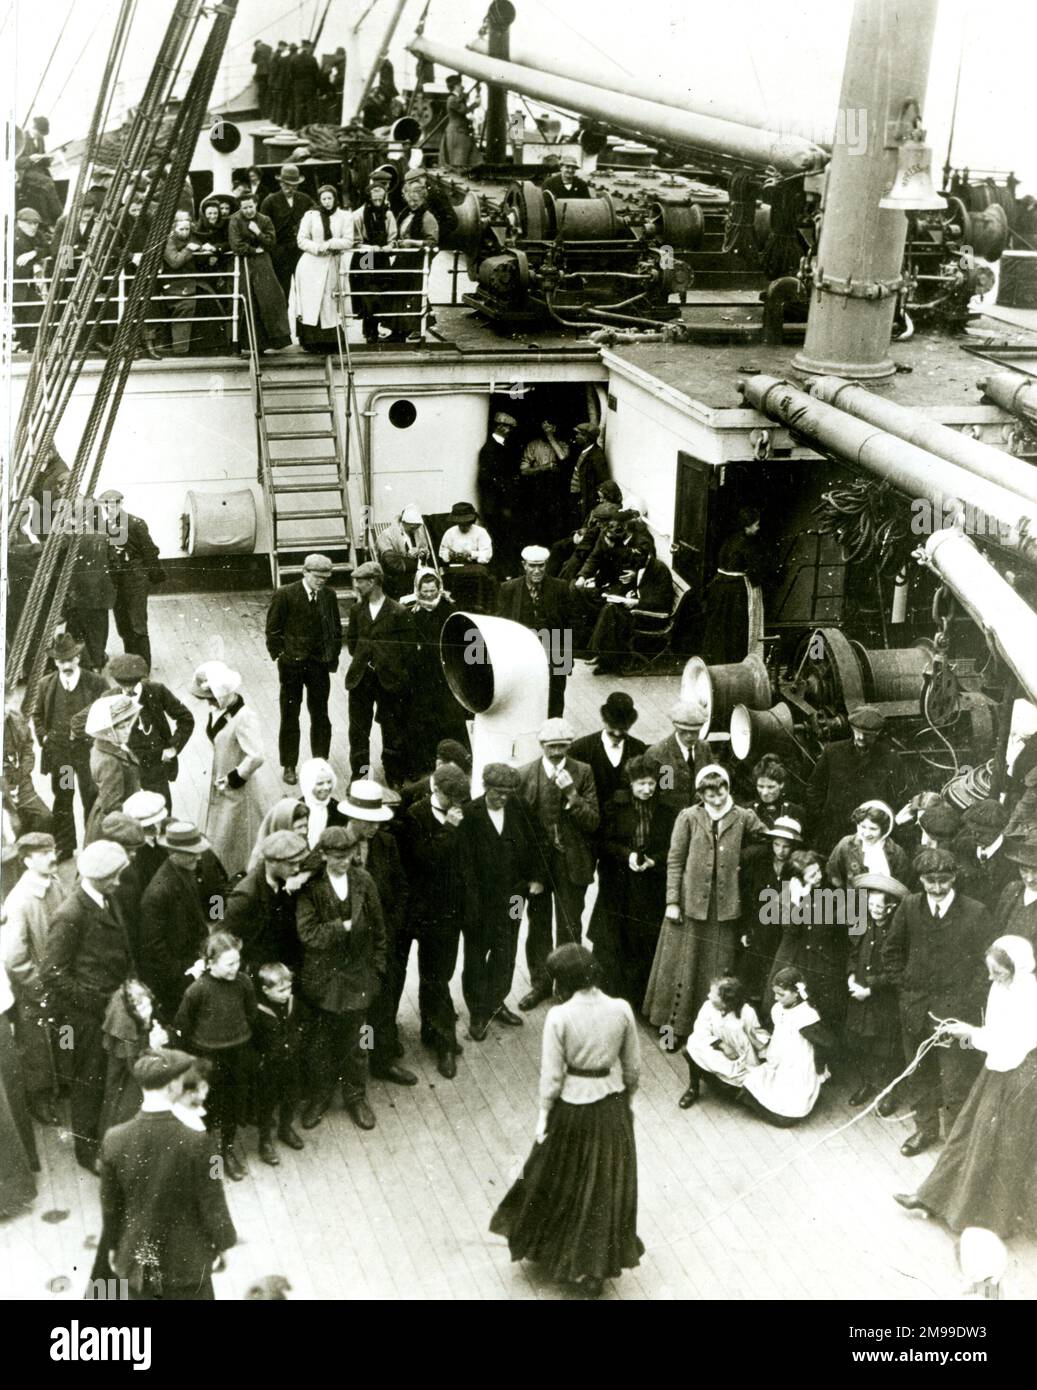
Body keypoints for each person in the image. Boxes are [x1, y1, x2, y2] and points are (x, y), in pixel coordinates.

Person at [490, 944, 642, 1299]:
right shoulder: (621, 1010)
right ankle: (593, 1268)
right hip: (610, 1106)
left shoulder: (558, 1017)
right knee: (603, 1188)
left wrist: (543, 1115)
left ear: (563, 982)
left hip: (571, 1108)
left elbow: (551, 1076)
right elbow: (633, 1068)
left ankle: (548, 1247)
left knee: (557, 1179)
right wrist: (625, 1099)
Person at [895, 935, 1037, 1239]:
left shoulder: (1031, 996)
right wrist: (964, 1033)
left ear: (1018, 970)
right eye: (990, 971)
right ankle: (930, 1197)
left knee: (997, 1143)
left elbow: (1015, 1040)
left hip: (1019, 1076)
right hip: (998, 1067)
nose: (991, 978)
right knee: (965, 1131)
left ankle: (987, 1219)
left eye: (998, 972)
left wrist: (968, 1034)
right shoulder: (999, 988)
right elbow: (993, 1032)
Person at [98, 1048, 237, 1300]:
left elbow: (111, 1206)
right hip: (188, 1265)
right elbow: (212, 1202)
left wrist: (113, 1245)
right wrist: (224, 1243)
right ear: (173, 1086)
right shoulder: (198, 1141)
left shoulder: (114, 1139)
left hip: (137, 1264)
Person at [645, 764, 767, 1045]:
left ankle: (710, 1030)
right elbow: (675, 860)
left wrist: (740, 860)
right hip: (690, 905)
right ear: (701, 794)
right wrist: (672, 901)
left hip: (723, 908)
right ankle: (675, 1027)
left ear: (728, 787)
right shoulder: (688, 817)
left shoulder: (743, 816)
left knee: (716, 968)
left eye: (721, 790)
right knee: (683, 967)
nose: (717, 798)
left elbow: (765, 840)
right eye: (710, 793)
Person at [882, 847, 989, 1157]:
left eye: (944, 880)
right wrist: (905, 988)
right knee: (919, 1074)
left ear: (954, 878)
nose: (938, 888)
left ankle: (956, 1144)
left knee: (956, 1080)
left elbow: (986, 966)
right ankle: (925, 1130)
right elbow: (891, 951)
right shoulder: (909, 906)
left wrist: (967, 1003)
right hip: (915, 1009)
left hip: (955, 1017)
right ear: (921, 880)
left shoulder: (976, 912)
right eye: (931, 881)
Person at [40, 839, 133, 1171]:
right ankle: (87, 1153)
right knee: (89, 1084)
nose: (119, 882)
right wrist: (96, 1003)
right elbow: (51, 973)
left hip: (110, 1006)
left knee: (107, 1080)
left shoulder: (107, 898)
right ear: (97, 877)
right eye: (114, 876)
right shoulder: (71, 914)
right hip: (87, 1017)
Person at [297, 824, 386, 1130]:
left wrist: (376, 970)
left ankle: (355, 1096)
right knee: (320, 1044)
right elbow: (308, 934)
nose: (343, 862)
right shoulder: (311, 888)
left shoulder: (364, 881)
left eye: (347, 855)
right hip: (323, 980)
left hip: (359, 978)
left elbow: (379, 930)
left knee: (358, 1042)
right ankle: (320, 1097)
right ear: (323, 855)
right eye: (336, 857)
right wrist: (342, 928)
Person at [336, 779, 416, 1087]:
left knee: (382, 1003)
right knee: (351, 1011)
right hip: (347, 947)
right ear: (352, 817)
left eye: (376, 822)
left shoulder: (387, 844)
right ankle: (349, 1070)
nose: (372, 828)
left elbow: (401, 889)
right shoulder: (335, 843)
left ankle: (380, 1061)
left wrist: (389, 932)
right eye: (367, 822)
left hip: (381, 943)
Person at [516, 719, 599, 1010]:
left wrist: (571, 795)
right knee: (538, 924)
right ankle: (540, 984)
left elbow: (592, 821)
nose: (556, 752)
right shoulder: (525, 773)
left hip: (571, 863)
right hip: (538, 865)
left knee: (570, 925)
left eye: (562, 747)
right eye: (551, 747)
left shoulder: (583, 772)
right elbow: (519, 826)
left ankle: (567, 984)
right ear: (542, 746)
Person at [588, 755, 677, 1008]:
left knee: (644, 940)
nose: (647, 789)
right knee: (613, 939)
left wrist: (654, 861)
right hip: (618, 884)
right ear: (630, 783)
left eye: (651, 784)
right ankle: (609, 997)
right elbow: (603, 843)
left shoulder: (666, 811)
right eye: (641, 784)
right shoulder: (614, 808)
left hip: (650, 886)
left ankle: (638, 999)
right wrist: (627, 856)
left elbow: (672, 847)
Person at [400, 763, 470, 1077]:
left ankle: (436, 1034)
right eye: (449, 796)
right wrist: (449, 829)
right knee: (416, 976)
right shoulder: (414, 816)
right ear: (435, 790)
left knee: (439, 976)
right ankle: (440, 1039)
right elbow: (423, 858)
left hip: (448, 913)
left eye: (459, 797)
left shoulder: (463, 813)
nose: (455, 803)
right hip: (418, 912)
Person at [459, 762, 538, 1040]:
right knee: (476, 956)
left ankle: (496, 1002)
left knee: (506, 952)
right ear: (486, 788)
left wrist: (534, 879)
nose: (503, 797)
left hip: (515, 896)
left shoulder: (519, 808)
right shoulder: (470, 814)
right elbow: (464, 864)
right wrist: (471, 903)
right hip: (480, 900)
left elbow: (536, 842)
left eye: (507, 792)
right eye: (498, 792)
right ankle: (478, 1012)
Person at [174, 931, 256, 1180]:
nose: (235, 968)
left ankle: (226, 1150)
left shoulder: (244, 983)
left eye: (237, 962)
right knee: (207, 1107)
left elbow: (250, 1013)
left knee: (232, 1105)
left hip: (237, 1053)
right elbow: (182, 1026)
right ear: (211, 963)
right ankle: (209, 1155)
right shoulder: (197, 990)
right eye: (229, 963)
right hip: (207, 1058)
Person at [265, 553, 342, 785]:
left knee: (320, 714)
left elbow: (335, 628)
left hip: (319, 665)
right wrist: (280, 655)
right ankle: (289, 765)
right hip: (292, 666)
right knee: (290, 715)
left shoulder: (329, 596)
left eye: (326, 578)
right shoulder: (285, 594)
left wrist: (332, 655)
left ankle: (320, 760)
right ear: (305, 572)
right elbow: (273, 630)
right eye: (318, 576)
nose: (322, 581)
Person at [2, 833, 63, 1124]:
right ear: (26, 860)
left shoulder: (55, 883)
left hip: (56, 980)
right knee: (36, 1044)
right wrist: (39, 987)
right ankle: (40, 1100)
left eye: (51, 850)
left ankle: (59, 1086)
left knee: (59, 1036)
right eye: (42, 853)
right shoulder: (19, 900)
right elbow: (14, 957)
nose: (51, 856)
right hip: (34, 988)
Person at [30, 634, 107, 861]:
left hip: (87, 757)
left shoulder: (95, 683)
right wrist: (44, 738)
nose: (66, 665)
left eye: (70, 659)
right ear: (55, 662)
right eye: (61, 661)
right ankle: (65, 845)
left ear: (78, 657)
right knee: (63, 796)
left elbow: (108, 710)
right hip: (63, 758)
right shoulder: (46, 685)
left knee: (91, 797)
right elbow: (36, 715)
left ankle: (92, 845)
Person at [139, 821, 227, 1017]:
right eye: (192, 852)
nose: (198, 855)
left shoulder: (193, 866)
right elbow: (154, 947)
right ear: (173, 853)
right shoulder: (158, 892)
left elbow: (216, 894)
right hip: (180, 975)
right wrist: (184, 975)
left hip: (195, 957)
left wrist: (216, 920)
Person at [189, 661, 265, 878]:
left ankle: (230, 883)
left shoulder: (245, 717)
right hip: (217, 783)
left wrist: (234, 778)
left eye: (212, 698)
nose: (209, 703)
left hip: (235, 789)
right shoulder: (219, 710)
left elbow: (257, 755)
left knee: (234, 841)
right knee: (217, 835)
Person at [344, 560, 416, 787]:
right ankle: (361, 776)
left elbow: (408, 649)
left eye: (360, 581)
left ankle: (394, 776)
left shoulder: (398, 611)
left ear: (373, 581)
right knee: (358, 733)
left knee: (393, 730)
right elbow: (353, 644)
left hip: (390, 682)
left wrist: (392, 669)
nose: (356, 585)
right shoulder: (357, 610)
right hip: (361, 680)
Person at [845, 872, 909, 1111]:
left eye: (879, 906)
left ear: (891, 907)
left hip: (883, 1001)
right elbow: (853, 954)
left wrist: (871, 988)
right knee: (862, 1043)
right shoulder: (865, 925)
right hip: (860, 996)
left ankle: (889, 1092)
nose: (874, 910)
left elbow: (898, 972)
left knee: (886, 1049)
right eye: (870, 904)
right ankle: (868, 1083)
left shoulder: (898, 934)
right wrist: (851, 975)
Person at [101, 653, 194, 812]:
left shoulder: (156, 691)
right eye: (123, 684)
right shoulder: (108, 698)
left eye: (133, 684)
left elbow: (186, 719)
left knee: (162, 812)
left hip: (156, 764)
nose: (128, 689)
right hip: (127, 766)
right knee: (131, 815)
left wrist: (173, 747)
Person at [806, 706, 904, 856]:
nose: (860, 738)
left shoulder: (890, 757)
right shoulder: (833, 752)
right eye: (857, 732)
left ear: (877, 733)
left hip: (871, 832)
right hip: (834, 830)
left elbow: (897, 796)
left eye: (867, 735)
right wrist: (822, 815)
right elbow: (814, 787)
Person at [740, 968, 832, 1126]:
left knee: (788, 1112)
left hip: (799, 1066)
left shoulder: (806, 1016)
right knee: (749, 1087)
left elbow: (826, 1043)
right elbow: (778, 1032)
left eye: (781, 994)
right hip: (780, 1060)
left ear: (796, 993)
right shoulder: (777, 1009)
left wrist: (820, 1068)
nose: (776, 998)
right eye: (775, 993)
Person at [497, 546, 574, 718]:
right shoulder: (508, 589)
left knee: (555, 696)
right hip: (522, 652)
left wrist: (566, 658)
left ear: (546, 565)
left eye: (541, 566)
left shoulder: (560, 588)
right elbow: (501, 625)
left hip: (553, 649)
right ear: (524, 565)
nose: (537, 571)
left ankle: (554, 733)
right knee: (523, 697)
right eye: (532, 566)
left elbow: (570, 623)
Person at [738, 814, 801, 1015]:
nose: (780, 851)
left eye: (786, 846)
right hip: (759, 926)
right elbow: (749, 899)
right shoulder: (761, 864)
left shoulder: (797, 869)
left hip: (783, 929)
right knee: (752, 970)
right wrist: (747, 929)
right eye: (776, 845)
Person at [408, 568, 471, 765]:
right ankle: (429, 760)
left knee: (451, 717)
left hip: (447, 672)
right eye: (425, 591)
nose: (429, 595)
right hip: (424, 673)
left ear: (439, 589)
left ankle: (460, 758)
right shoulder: (413, 613)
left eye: (432, 590)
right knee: (426, 717)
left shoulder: (450, 610)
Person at [225, 830, 310, 974]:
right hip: (260, 974)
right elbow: (223, 938)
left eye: (299, 863)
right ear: (271, 862)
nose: (297, 869)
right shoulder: (246, 896)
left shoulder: (284, 879)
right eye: (291, 864)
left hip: (285, 968)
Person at [585, 540, 674, 674]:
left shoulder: (659, 570)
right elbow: (644, 589)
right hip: (643, 610)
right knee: (609, 607)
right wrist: (633, 593)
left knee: (612, 613)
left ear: (647, 555)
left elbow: (662, 602)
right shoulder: (644, 565)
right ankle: (601, 656)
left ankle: (603, 658)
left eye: (637, 555)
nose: (634, 559)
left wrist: (637, 602)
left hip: (653, 617)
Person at [98, 488, 164, 670]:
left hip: (135, 578)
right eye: (106, 505)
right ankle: (130, 660)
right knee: (123, 623)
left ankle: (143, 667)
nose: (110, 509)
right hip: (116, 580)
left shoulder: (135, 524)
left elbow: (150, 550)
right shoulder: (102, 527)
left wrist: (153, 575)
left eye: (114, 504)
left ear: (120, 504)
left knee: (137, 624)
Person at [682, 974, 769, 1108]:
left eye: (713, 993)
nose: (708, 995)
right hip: (717, 1049)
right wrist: (721, 1045)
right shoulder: (708, 1006)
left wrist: (764, 1052)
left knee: (752, 1082)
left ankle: (730, 1085)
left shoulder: (747, 1012)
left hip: (741, 1056)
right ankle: (693, 1088)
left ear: (726, 1000)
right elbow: (700, 1031)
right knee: (690, 1047)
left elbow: (757, 1034)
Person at [251, 961, 307, 1164]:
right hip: (269, 1067)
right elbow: (253, 1041)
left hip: (291, 1062)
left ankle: (285, 1128)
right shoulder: (257, 1011)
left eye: (288, 988)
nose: (286, 993)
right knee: (267, 1103)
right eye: (281, 990)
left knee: (292, 1096)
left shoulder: (293, 1003)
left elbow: (301, 1023)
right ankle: (265, 1140)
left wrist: (297, 1040)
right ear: (266, 990)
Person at [98, 978, 168, 1137]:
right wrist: (154, 1047)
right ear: (130, 1011)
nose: (148, 1012)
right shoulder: (125, 1032)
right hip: (129, 1091)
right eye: (142, 1007)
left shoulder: (134, 1019)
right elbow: (138, 1070)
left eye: (148, 1004)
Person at [699, 507, 768, 665]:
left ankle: (718, 663)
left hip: (721, 589)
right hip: (736, 592)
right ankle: (739, 665)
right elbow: (755, 571)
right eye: (756, 525)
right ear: (747, 525)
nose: (758, 528)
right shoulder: (746, 545)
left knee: (721, 630)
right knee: (736, 632)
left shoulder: (730, 540)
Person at [291, 185, 352, 351]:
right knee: (311, 301)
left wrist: (330, 244)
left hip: (332, 262)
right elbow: (301, 239)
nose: (326, 202)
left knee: (329, 301)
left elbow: (348, 240)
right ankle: (311, 341)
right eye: (323, 199)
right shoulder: (311, 216)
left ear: (335, 198)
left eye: (329, 198)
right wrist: (317, 248)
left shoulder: (345, 216)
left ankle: (330, 341)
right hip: (310, 264)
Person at [228, 193, 291, 352]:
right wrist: (254, 249)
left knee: (270, 298)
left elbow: (271, 243)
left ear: (256, 204)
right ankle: (250, 344)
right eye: (244, 208)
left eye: (250, 207)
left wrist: (258, 233)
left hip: (263, 263)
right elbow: (236, 245)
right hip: (245, 263)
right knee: (249, 300)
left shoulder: (265, 220)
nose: (248, 211)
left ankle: (275, 340)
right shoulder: (235, 220)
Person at [568, 691, 647, 818]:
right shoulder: (579, 750)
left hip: (626, 827)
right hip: (591, 826)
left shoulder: (638, 749)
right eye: (613, 726)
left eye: (623, 728)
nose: (617, 733)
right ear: (604, 721)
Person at [83, 694, 142, 843]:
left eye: (128, 724)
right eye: (122, 728)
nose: (128, 730)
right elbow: (112, 806)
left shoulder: (107, 745)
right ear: (109, 731)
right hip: (116, 825)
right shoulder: (110, 761)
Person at [644, 698, 712, 812]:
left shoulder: (705, 748)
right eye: (683, 731)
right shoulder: (656, 754)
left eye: (694, 732)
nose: (689, 736)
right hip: (667, 820)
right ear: (676, 727)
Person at [351, 177, 398, 342]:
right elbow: (356, 241)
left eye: (381, 198)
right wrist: (370, 248)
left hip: (382, 256)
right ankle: (369, 331)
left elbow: (393, 236)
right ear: (369, 198)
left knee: (383, 289)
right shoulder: (358, 215)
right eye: (375, 198)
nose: (378, 201)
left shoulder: (388, 214)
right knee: (368, 290)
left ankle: (377, 327)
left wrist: (390, 246)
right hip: (366, 256)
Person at [261, 163, 315, 303]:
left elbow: (317, 217)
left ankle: (304, 324)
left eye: (293, 185)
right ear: (280, 183)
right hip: (279, 253)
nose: (290, 188)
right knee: (281, 292)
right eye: (286, 185)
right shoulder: (270, 201)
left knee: (305, 290)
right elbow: (262, 226)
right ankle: (282, 324)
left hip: (301, 252)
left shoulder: (305, 199)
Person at [826, 800, 912, 889]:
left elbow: (902, 886)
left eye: (873, 829)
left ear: (884, 829)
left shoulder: (897, 853)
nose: (866, 834)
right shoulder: (846, 845)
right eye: (863, 827)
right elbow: (834, 875)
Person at [394, 170, 438, 340]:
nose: (412, 203)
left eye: (416, 201)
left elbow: (433, 243)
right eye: (410, 200)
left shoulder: (427, 217)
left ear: (422, 199)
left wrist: (412, 243)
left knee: (416, 291)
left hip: (417, 259)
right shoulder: (406, 213)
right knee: (403, 291)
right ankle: (402, 326)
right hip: (404, 258)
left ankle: (419, 326)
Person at [477, 411, 520, 569]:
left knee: (504, 537)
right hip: (497, 504)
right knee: (500, 538)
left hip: (500, 503)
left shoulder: (500, 447)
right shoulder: (490, 449)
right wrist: (505, 499)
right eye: (507, 427)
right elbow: (487, 478)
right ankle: (501, 570)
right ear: (500, 427)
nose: (509, 430)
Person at [955, 799, 1014, 909]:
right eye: (972, 830)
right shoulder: (963, 845)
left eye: (983, 833)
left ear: (1000, 830)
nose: (975, 836)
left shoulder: (1012, 857)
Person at [159, 211, 199, 355]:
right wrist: (189, 249)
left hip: (187, 281)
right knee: (184, 307)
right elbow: (174, 261)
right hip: (173, 283)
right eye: (181, 229)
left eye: (187, 229)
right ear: (174, 228)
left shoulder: (191, 238)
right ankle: (181, 350)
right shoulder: (168, 241)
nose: (184, 232)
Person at [377, 503, 432, 596]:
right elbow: (389, 561)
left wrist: (421, 552)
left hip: (416, 571)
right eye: (411, 527)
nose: (413, 529)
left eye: (416, 527)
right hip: (397, 575)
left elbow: (425, 551)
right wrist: (407, 556)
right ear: (403, 522)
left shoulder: (418, 532)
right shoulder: (387, 535)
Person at [993, 836, 1037, 948]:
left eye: (1036, 872)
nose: (1029, 878)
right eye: (1024, 870)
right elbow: (996, 928)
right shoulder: (1012, 889)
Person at [297, 757, 347, 851]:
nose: (326, 787)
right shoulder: (295, 808)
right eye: (320, 783)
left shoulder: (337, 809)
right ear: (308, 784)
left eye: (329, 782)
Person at [567, 422, 609, 531]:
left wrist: (587, 498)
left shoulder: (597, 455)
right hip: (575, 496)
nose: (576, 437)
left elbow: (602, 481)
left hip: (584, 500)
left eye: (579, 434)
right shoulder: (583, 450)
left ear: (586, 438)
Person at [439, 500, 493, 567]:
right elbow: (442, 551)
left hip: (475, 567)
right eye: (460, 524)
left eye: (466, 523)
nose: (463, 526)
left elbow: (487, 554)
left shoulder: (481, 532)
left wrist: (471, 554)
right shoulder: (450, 532)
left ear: (471, 521)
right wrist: (449, 555)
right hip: (455, 567)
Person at [440, 74, 476, 169]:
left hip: (459, 133)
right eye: (460, 85)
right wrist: (475, 104)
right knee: (458, 160)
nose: (462, 87)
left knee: (463, 159)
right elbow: (464, 110)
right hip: (456, 134)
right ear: (456, 86)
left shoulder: (454, 99)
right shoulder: (452, 99)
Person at [289, 38, 322, 128]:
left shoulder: (294, 58)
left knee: (298, 107)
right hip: (310, 85)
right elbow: (316, 74)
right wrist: (317, 87)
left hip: (298, 85)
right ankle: (310, 127)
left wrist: (295, 84)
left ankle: (297, 127)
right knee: (310, 107)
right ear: (308, 47)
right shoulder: (312, 59)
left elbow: (291, 74)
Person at [252, 39, 273, 115]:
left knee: (261, 94)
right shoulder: (269, 48)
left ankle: (263, 113)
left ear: (256, 44)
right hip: (270, 73)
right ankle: (270, 112)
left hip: (261, 74)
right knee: (269, 92)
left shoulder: (258, 49)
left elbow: (253, 60)